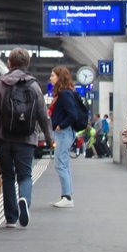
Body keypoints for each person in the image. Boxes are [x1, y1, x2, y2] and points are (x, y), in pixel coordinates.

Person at [0, 48, 55, 228]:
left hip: (2, 137)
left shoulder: (1, 83)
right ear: (27, 64)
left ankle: (11, 218)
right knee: (25, 176)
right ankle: (24, 199)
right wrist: (48, 138)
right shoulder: (34, 86)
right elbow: (42, 114)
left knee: (8, 176)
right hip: (26, 138)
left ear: (10, 63)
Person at [46, 66, 79, 207]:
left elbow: (72, 114)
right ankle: (67, 196)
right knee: (64, 164)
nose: (50, 78)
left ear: (59, 77)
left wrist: (61, 125)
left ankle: (67, 197)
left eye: (53, 75)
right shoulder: (64, 93)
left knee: (60, 164)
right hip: (64, 132)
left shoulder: (64, 94)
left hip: (64, 132)